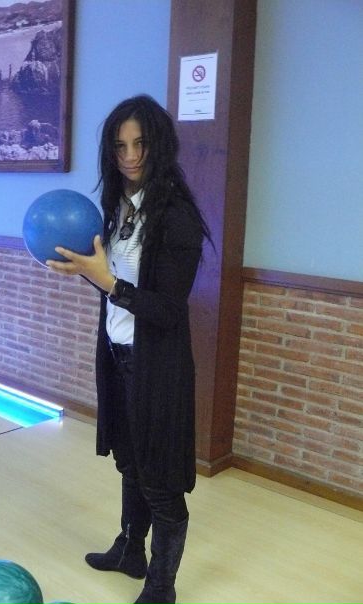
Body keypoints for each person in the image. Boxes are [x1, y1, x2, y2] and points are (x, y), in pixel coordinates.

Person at [47, 95, 210, 604]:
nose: (131, 155)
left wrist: (107, 281)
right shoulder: (117, 209)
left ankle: (162, 586)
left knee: (160, 480)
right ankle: (130, 551)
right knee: (130, 463)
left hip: (157, 368)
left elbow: (167, 310)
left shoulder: (176, 217)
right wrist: (83, 270)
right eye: (120, 146)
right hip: (118, 357)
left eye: (140, 143)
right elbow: (113, 282)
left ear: (159, 145)